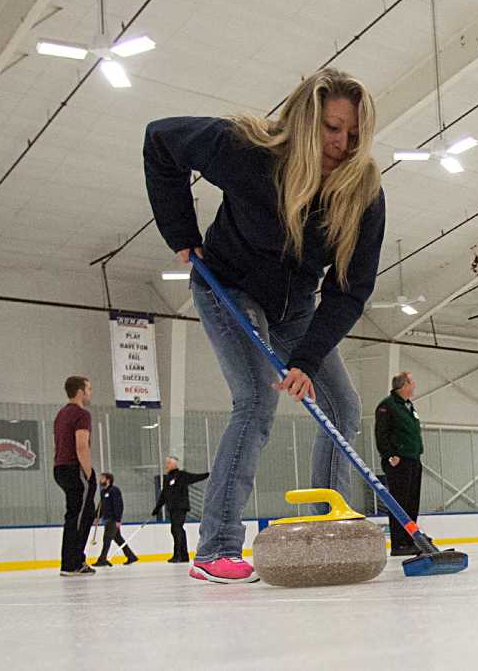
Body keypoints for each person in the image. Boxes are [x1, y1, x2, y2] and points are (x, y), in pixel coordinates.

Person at [144, 69, 385, 585]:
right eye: (330, 128)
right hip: (226, 286)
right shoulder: (246, 150)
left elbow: (351, 290)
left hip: (296, 306)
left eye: (352, 133)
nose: (341, 144)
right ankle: (216, 547)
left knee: (342, 406)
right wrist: (180, 230)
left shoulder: (362, 191)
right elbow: (160, 140)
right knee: (256, 399)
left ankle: (329, 529)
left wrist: (307, 359)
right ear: (304, 120)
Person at [375, 372, 424, 556]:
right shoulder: (387, 406)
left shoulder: (408, 406)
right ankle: (399, 543)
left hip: (413, 458)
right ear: (403, 385)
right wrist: (389, 455)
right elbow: (381, 433)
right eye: (412, 381)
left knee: (412, 502)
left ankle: (411, 539)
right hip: (398, 461)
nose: (414, 385)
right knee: (400, 502)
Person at [53, 376, 96, 577]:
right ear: (80, 391)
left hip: (60, 468)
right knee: (81, 516)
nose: (90, 392)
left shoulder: (61, 414)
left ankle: (70, 561)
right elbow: (81, 446)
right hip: (74, 469)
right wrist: (89, 474)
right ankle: (74, 562)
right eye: (88, 388)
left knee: (73, 515)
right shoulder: (81, 414)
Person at [149, 457, 208, 563]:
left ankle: (178, 555)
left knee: (176, 529)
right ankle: (184, 555)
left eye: (168, 463)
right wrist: (157, 508)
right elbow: (164, 495)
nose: (166, 465)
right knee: (177, 530)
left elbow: (196, 477)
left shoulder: (182, 475)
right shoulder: (167, 478)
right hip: (172, 508)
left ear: (174, 465)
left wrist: (209, 474)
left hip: (180, 507)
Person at [93, 473, 137, 567]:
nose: (100, 480)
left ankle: (102, 559)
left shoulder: (114, 490)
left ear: (108, 480)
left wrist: (118, 519)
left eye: (102, 478)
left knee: (107, 539)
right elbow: (101, 506)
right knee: (118, 539)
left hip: (112, 519)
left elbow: (118, 505)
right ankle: (131, 556)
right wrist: (97, 516)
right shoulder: (103, 492)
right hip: (106, 518)